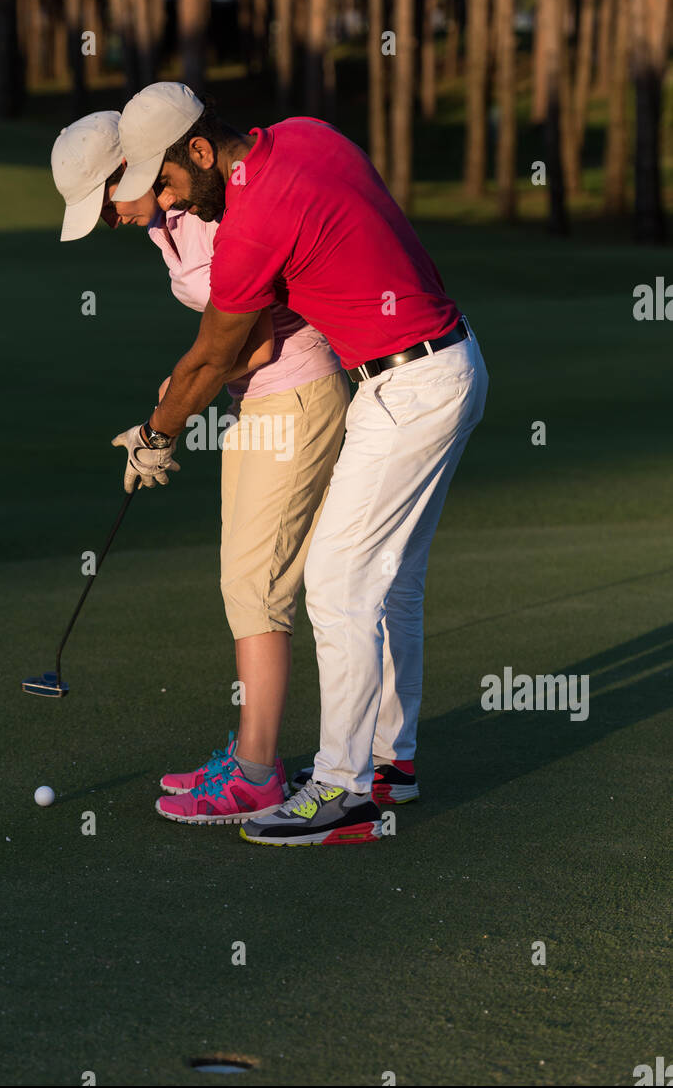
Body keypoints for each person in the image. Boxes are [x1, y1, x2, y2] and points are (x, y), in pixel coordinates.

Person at [111, 83, 489, 846]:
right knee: (391, 580)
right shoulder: (307, 131)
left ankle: (343, 791)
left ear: (198, 149)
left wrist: (156, 434)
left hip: (406, 386)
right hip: (452, 359)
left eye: (169, 182)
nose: (168, 200)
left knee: (336, 581)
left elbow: (216, 355)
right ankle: (392, 763)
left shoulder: (250, 226)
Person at [50, 104, 350, 825]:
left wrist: (166, 417)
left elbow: (245, 344)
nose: (107, 222)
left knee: (258, 585)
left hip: (297, 396)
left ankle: (256, 774)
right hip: (258, 404)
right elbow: (219, 335)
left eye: (105, 203)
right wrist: (174, 396)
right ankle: (251, 752)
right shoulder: (165, 220)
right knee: (242, 581)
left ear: (137, 170)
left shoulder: (211, 213)